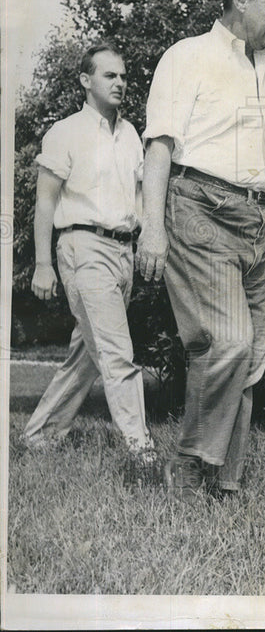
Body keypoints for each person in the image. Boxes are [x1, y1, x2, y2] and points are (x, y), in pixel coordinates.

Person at [137, 0, 265, 497]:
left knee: (249, 359)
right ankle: (189, 462)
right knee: (228, 343)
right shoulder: (188, 57)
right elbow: (160, 147)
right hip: (201, 212)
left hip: (256, 224)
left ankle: (226, 484)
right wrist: (153, 227)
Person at [24, 43, 155, 463]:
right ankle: (142, 451)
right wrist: (43, 264)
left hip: (123, 251)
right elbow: (44, 202)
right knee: (117, 352)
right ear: (86, 80)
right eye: (109, 75)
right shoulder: (65, 132)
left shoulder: (132, 134)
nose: (120, 83)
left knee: (87, 355)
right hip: (82, 246)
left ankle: (39, 436)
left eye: (123, 76)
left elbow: (142, 195)